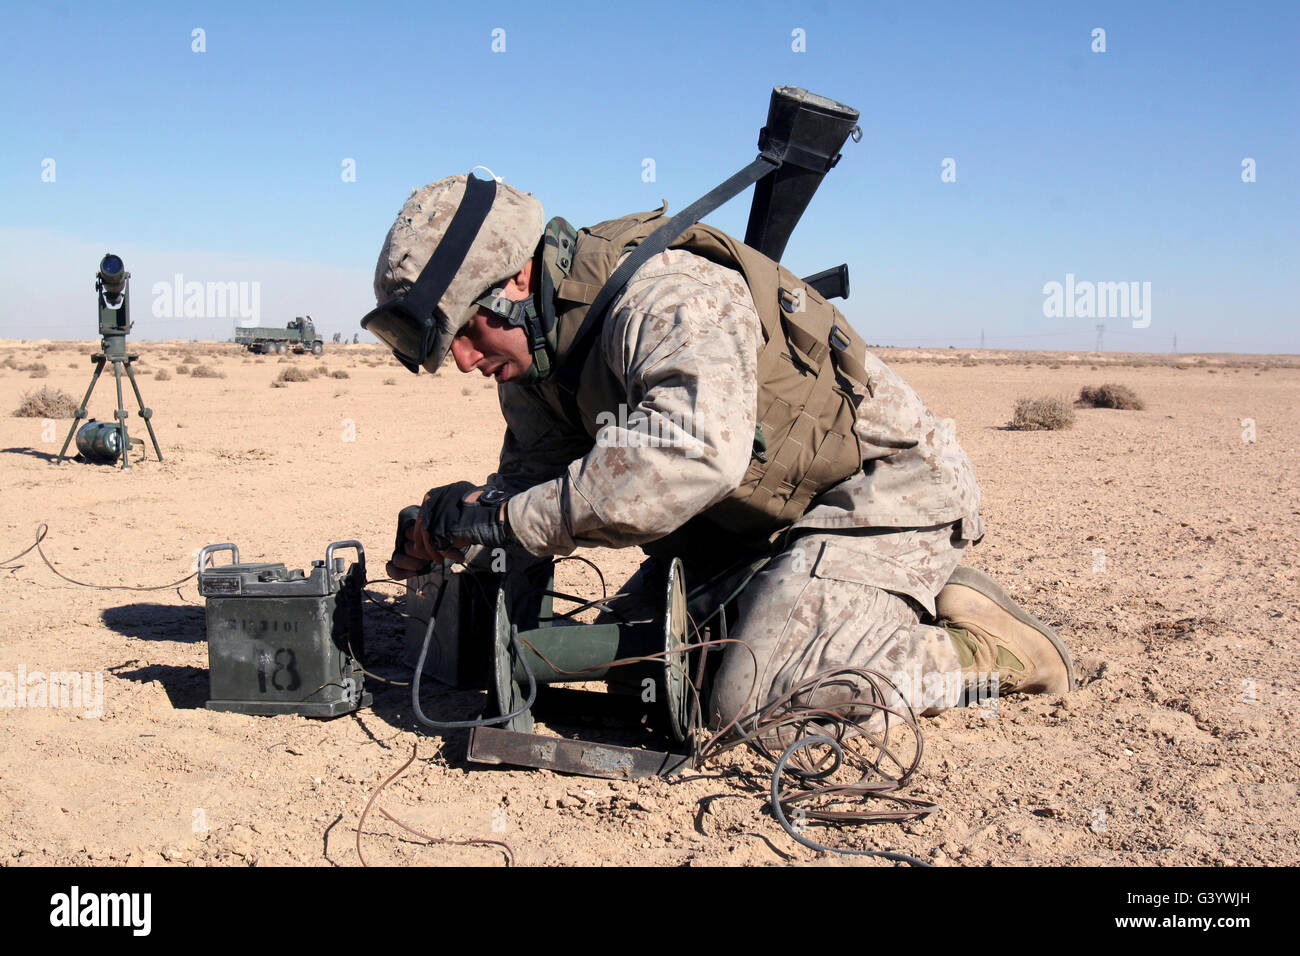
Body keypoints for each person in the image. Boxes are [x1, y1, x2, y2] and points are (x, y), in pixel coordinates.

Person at [366, 172, 1074, 732]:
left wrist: (504, 521)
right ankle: (855, 602)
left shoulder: (665, 297)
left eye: (468, 331)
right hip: (752, 524)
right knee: (643, 663)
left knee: (757, 699)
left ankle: (989, 653)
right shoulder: (538, 361)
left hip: (875, 495)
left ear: (517, 281)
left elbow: (686, 457)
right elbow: (532, 487)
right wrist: (461, 523)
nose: (462, 360)